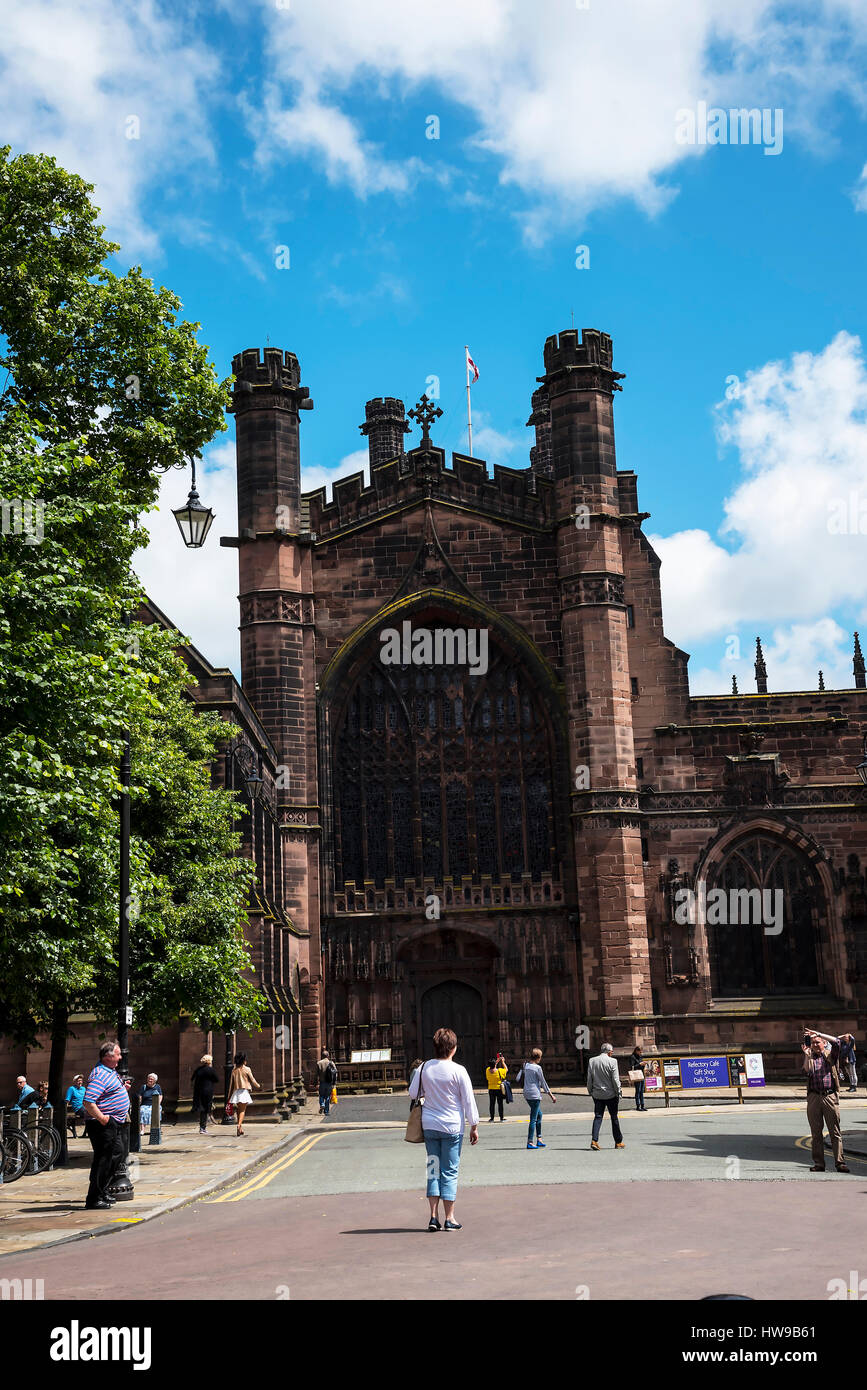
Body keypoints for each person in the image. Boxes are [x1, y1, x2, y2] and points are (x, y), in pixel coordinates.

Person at [408, 1027, 479, 1231]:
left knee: (433, 1169)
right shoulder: (459, 1071)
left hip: (429, 1125)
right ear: (453, 1048)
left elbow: (413, 1093)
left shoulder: (424, 1068)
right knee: (449, 1171)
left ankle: (432, 1217)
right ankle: (449, 1218)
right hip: (451, 1127)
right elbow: (468, 1101)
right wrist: (474, 1126)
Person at [82, 1039, 131, 1210]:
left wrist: (122, 1090)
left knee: (116, 1156)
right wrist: (103, 1119)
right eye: (118, 1054)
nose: (120, 1058)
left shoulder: (109, 1071)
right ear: (107, 1057)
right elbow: (88, 1101)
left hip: (112, 1123)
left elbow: (106, 1093)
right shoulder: (100, 1074)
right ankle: (94, 1198)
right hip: (102, 1124)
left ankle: (102, 1191)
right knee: (103, 1161)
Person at [802, 1029, 850, 1173]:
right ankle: (819, 1164)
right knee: (816, 1133)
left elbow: (837, 1042)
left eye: (817, 1042)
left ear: (824, 1043)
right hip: (814, 1097)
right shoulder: (810, 1057)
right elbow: (807, 1071)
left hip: (829, 1096)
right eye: (813, 1043)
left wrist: (818, 1034)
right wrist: (806, 1056)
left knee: (835, 1132)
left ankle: (840, 1163)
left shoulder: (831, 1056)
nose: (815, 1045)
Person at [516, 1047, 556, 1149]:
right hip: (534, 1094)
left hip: (526, 1093)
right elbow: (543, 1082)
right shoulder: (537, 1068)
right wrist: (551, 1096)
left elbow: (518, 1078)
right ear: (538, 1057)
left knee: (539, 1115)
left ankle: (539, 1139)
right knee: (533, 1118)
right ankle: (530, 1142)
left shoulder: (526, 1065)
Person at [587, 1042, 625, 1150]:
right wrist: (619, 1092)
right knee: (614, 1117)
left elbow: (589, 1078)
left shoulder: (592, 1061)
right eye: (612, 1052)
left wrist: (590, 1090)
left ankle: (594, 1140)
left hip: (597, 1094)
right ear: (609, 1052)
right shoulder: (613, 1061)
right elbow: (615, 1079)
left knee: (598, 1117)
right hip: (610, 1094)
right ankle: (618, 1142)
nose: (612, 1054)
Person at [228, 1052, 260, 1136]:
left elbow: (231, 1084)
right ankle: (238, 1125)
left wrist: (229, 1096)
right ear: (243, 1061)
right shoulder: (247, 1069)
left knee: (239, 1110)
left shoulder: (234, 1070)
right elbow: (252, 1080)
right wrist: (258, 1086)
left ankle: (240, 1129)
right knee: (242, 1111)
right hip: (243, 1092)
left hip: (236, 1092)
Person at [191, 1054, 220, 1134]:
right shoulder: (211, 1070)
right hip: (208, 1091)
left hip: (199, 1091)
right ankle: (203, 1127)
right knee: (206, 1109)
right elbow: (217, 1079)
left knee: (202, 1109)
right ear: (209, 1061)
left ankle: (202, 1127)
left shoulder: (198, 1070)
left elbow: (192, 1079)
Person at [485, 1052, 508, 1122]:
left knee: (492, 1104)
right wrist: (503, 1062)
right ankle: (501, 1118)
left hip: (491, 1089)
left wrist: (497, 1061)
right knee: (500, 1104)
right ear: (495, 1064)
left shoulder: (487, 1071)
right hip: (498, 1089)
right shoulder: (499, 1071)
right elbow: (506, 1069)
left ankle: (492, 1118)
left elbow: (492, 1065)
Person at [316, 1050, 338, 1116]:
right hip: (329, 1083)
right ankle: (326, 1111)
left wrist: (315, 1082)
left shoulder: (319, 1063)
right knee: (328, 1096)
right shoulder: (331, 1063)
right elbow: (335, 1073)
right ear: (328, 1056)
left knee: (321, 1095)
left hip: (322, 1082)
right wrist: (334, 1082)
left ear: (322, 1056)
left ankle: (322, 1104)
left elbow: (316, 1074)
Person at [65, 1074, 86, 1138]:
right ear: (74, 1081)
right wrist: (65, 1111)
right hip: (77, 1108)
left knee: (91, 1113)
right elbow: (67, 1100)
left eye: (81, 1080)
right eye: (78, 1081)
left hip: (84, 1107)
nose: (80, 1082)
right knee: (88, 1113)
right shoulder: (71, 1089)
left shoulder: (83, 1089)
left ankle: (85, 1133)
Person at [629, 1044, 646, 1111]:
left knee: (642, 1091)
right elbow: (632, 1067)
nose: (641, 1053)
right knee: (638, 1091)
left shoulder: (640, 1057)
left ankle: (642, 1105)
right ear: (636, 1051)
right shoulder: (632, 1057)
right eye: (640, 1052)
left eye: (641, 1052)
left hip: (641, 1075)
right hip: (636, 1075)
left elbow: (642, 1066)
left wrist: (643, 1064)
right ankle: (638, 1106)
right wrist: (639, 1064)